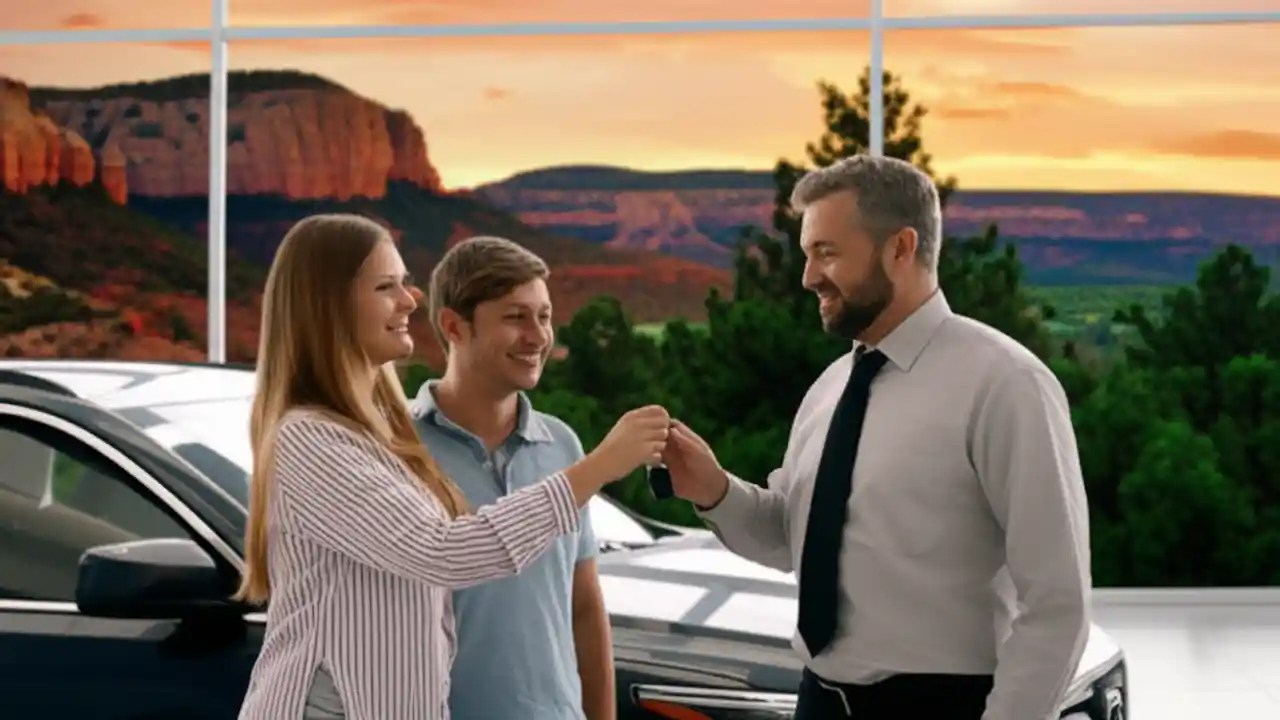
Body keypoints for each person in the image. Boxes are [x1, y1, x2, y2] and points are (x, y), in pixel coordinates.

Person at [661, 155, 1091, 720]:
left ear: (900, 248)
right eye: (808, 254)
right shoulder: (830, 388)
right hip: (818, 700)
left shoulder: (1006, 384)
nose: (808, 277)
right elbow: (794, 540)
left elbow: (1058, 605)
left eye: (827, 253)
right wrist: (714, 490)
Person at [234, 213, 670, 720]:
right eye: (386, 286)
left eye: (406, 284)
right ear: (329, 306)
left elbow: (577, 607)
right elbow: (444, 551)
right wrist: (598, 469)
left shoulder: (377, 436)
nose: (410, 300)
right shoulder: (311, 440)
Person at [410, 235, 614, 720]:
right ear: (454, 326)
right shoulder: (398, 449)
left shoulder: (562, 445)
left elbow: (584, 607)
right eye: (515, 316)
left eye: (543, 316)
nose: (539, 336)